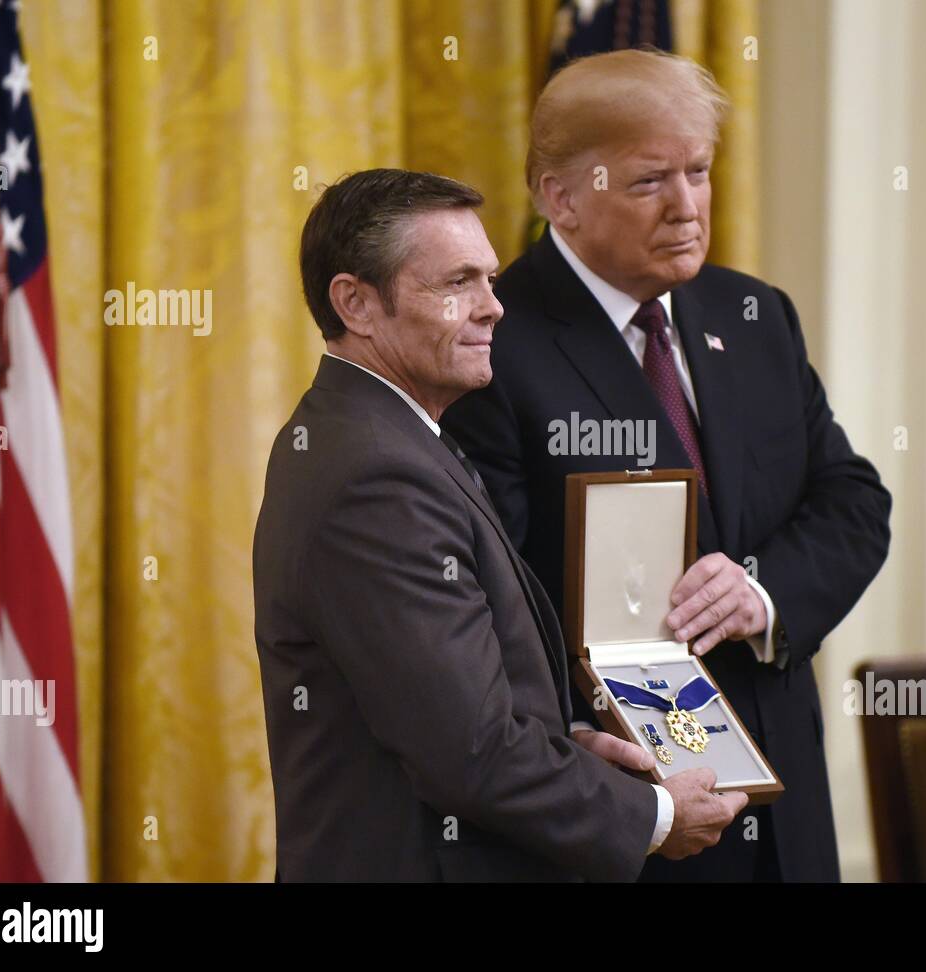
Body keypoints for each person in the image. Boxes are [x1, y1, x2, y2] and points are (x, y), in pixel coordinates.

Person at [442, 50, 892, 881]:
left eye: (700, 170)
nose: (688, 206)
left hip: (786, 808)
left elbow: (853, 501)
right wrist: (569, 741)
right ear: (561, 198)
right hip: (628, 814)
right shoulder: (493, 342)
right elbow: (485, 596)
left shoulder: (753, 313)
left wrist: (760, 591)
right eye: (651, 181)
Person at [254, 168, 744, 882]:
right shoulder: (376, 476)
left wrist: (566, 740)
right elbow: (470, 751)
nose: (494, 307)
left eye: (489, 278)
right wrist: (656, 816)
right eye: (457, 283)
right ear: (355, 303)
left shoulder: (384, 433)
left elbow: (447, 703)